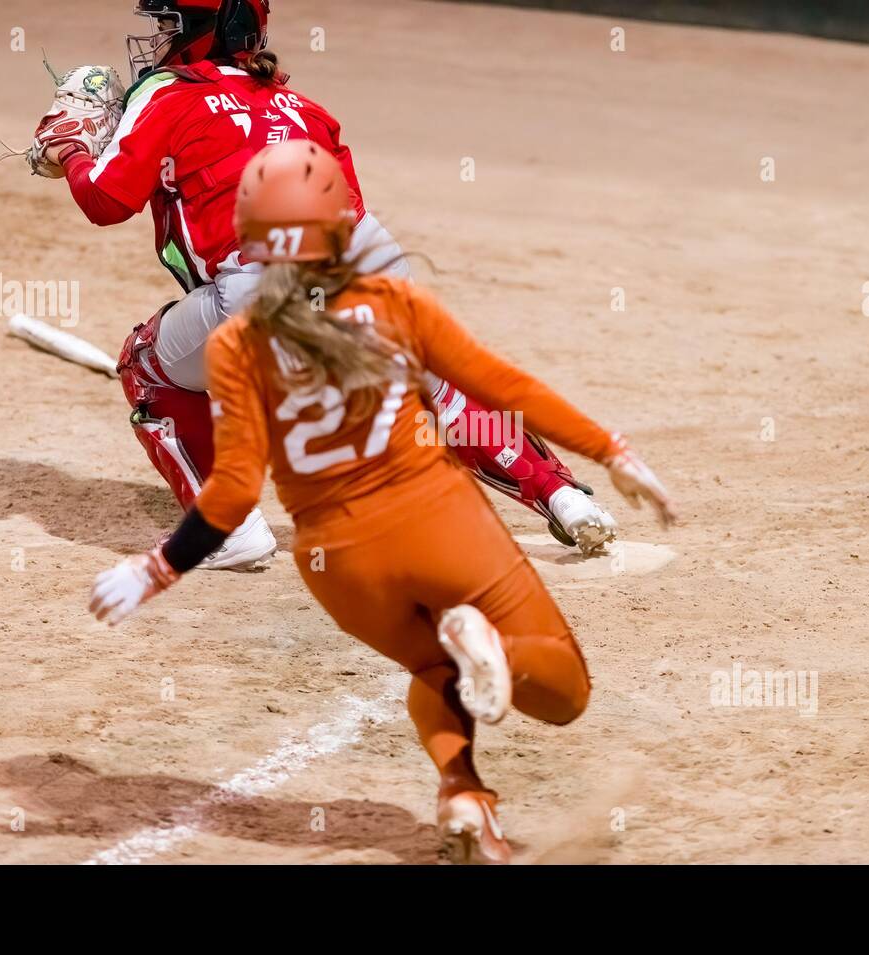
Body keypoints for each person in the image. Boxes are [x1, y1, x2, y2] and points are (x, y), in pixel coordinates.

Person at [88, 140, 677, 863]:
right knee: (560, 689)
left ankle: (463, 791)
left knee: (434, 671)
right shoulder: (391, 301)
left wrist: (152, 570)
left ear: (247, 238)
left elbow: (233, 491)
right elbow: (505, 389)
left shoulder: (236, 344)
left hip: (338, 565)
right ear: (341, 227)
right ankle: (493, 646)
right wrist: (611, 449)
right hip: (437, 521)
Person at [40, 0, 618, 568]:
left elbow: (105, 202)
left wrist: (70, 151)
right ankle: (560, 496)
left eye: (169, 24)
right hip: (373, 266)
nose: (159, 38)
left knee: (145, 364)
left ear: (205, 27)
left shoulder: (164, 92)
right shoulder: (302, 107)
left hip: (265, 294)